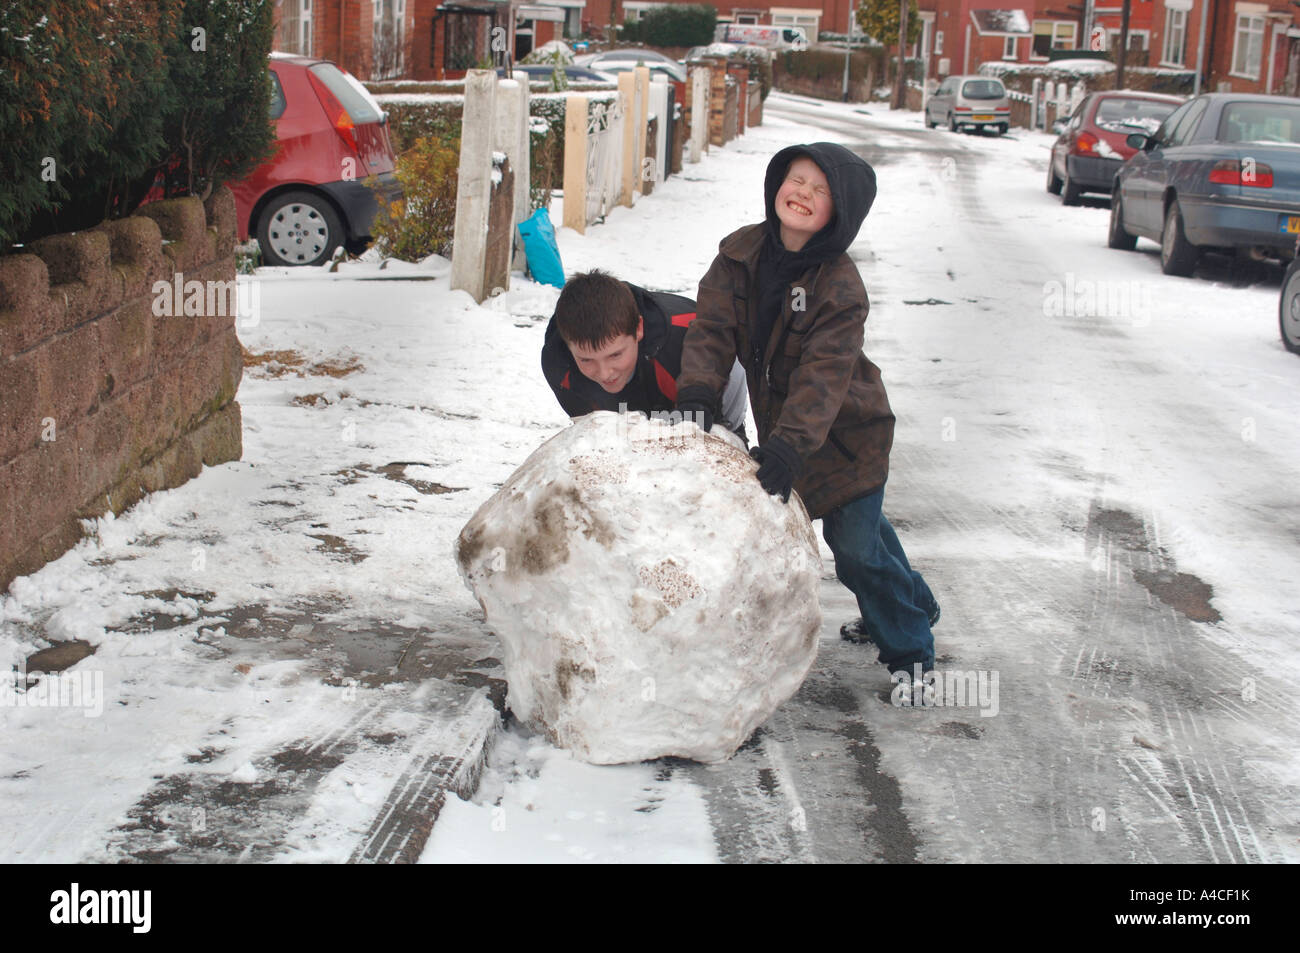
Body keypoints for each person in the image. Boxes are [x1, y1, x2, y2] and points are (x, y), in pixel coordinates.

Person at [674, 142, 939, 677]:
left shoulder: (840, 288)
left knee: (855, 547)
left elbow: (824, 373)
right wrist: (699, 391)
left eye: (820, 191)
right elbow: (712, 327)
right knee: (867, 539)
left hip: (846, 438)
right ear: (777, 183)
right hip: (789, 433)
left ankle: (911, 655)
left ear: (839, 213)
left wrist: (792, 445)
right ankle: (913, 604)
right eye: (796, 179)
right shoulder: (738, 254)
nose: (803, 194)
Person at [540, 270, 748, 438]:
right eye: (586, 360)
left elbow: (716, 432)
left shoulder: (691, 337)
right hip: (637, 409)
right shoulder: (558, 364)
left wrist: (726, 428)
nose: (604, 373)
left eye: (615, 355)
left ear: (638, 329)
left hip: (706, 391)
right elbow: (598, 434)